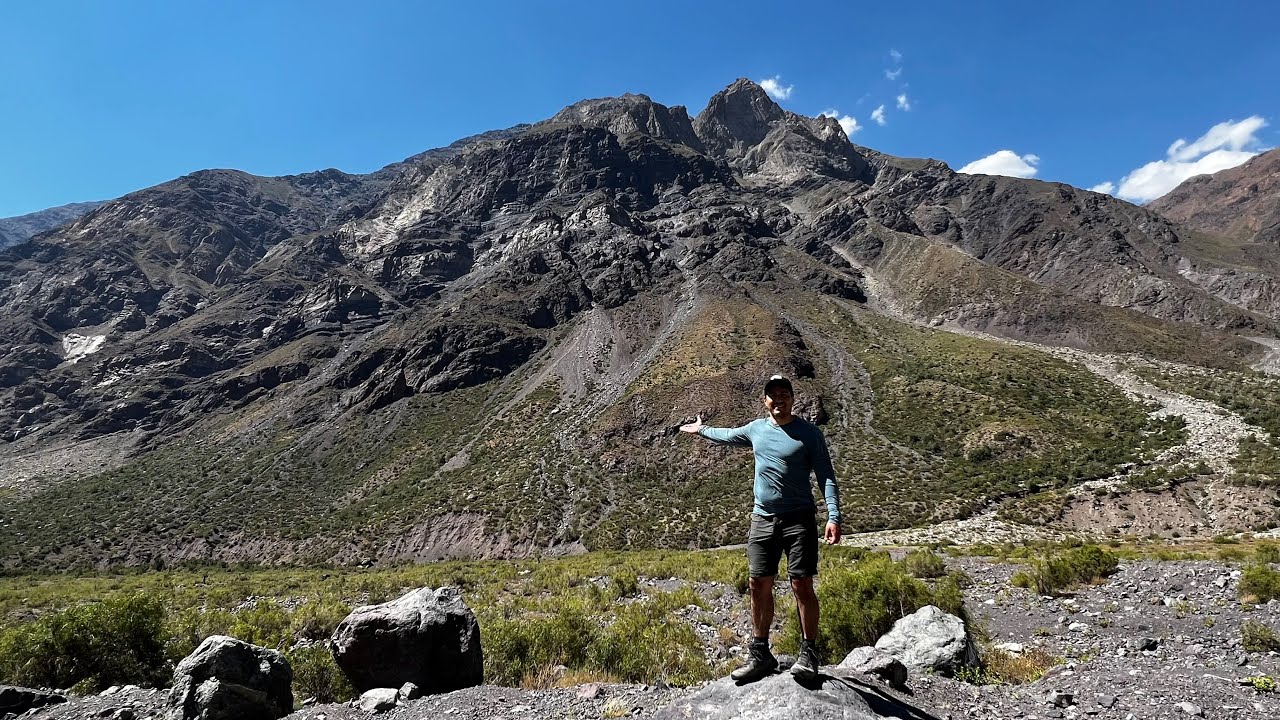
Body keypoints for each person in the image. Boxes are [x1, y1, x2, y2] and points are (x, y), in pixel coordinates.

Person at [680, 374, 841, 683]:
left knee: (802, 585)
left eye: (784, 393)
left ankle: (809, 652)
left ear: (793, 398)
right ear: (765, 401)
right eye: (772, 395)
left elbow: (826, 475)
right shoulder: (756, 429)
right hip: (763, 519)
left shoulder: (809, 434)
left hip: (799, 519)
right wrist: (701, 430)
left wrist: (833, 515)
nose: (778, 399)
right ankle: (760, 653)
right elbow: (728, 435)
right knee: (758, 584)